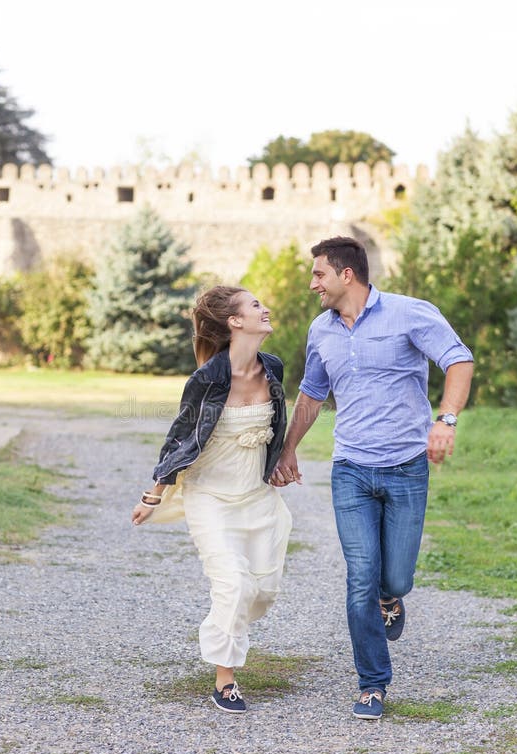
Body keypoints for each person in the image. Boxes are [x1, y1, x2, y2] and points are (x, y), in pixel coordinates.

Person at [271, 236, 473, 720]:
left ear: (347, 275)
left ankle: (392, 598)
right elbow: (312, 394)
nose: (311, 283)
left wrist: (444, 421)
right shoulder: (320, 330)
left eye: (318, 273)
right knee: (360, 576)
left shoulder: (409, 313)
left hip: (406, 466)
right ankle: (372, 684)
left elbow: (458, 359)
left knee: (395, 576)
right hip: (351, 470)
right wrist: (289, 448)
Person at [132, 285, 292, 713]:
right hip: (210, 497)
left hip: (257, 496)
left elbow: (277, 428)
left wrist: (281, 460)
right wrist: (155, 492)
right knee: (234, 583)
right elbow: (181, 435)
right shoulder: (206, 379)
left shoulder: (273, 368)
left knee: (262, 590)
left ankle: (233, 624)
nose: (266, 308)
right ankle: (225, 680)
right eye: (256, 305)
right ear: (235, 322)